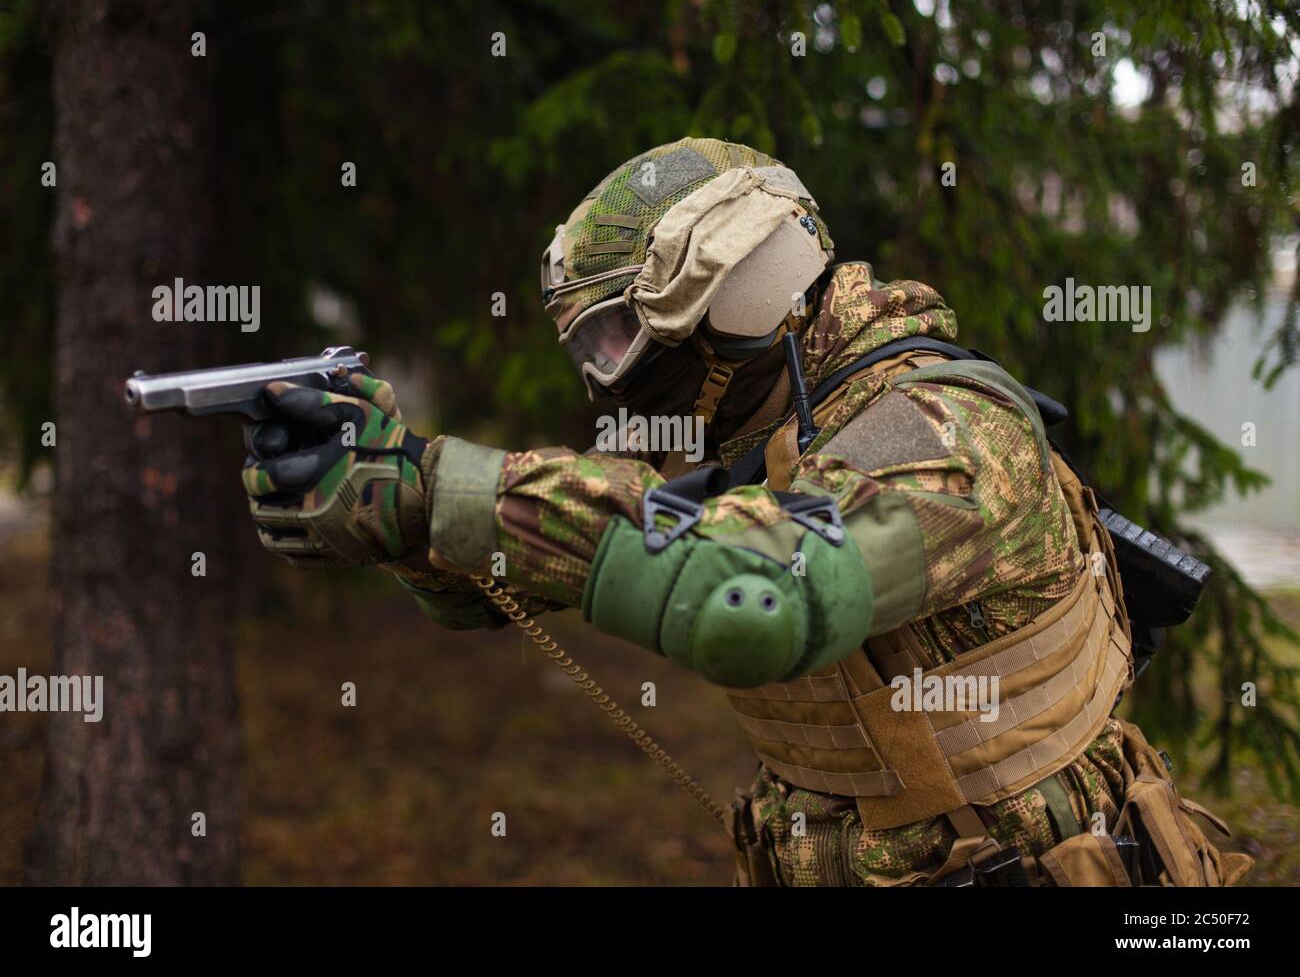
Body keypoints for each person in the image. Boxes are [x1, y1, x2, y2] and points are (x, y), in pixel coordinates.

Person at [240, 137, 1250, 887]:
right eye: (587, 347)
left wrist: (444, 482)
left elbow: (752, 601)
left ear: (740, 294)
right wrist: (401, 507)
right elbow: (492, 593)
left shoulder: (945, 430)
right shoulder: (767, 443)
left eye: (618, 339)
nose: (603, 384)